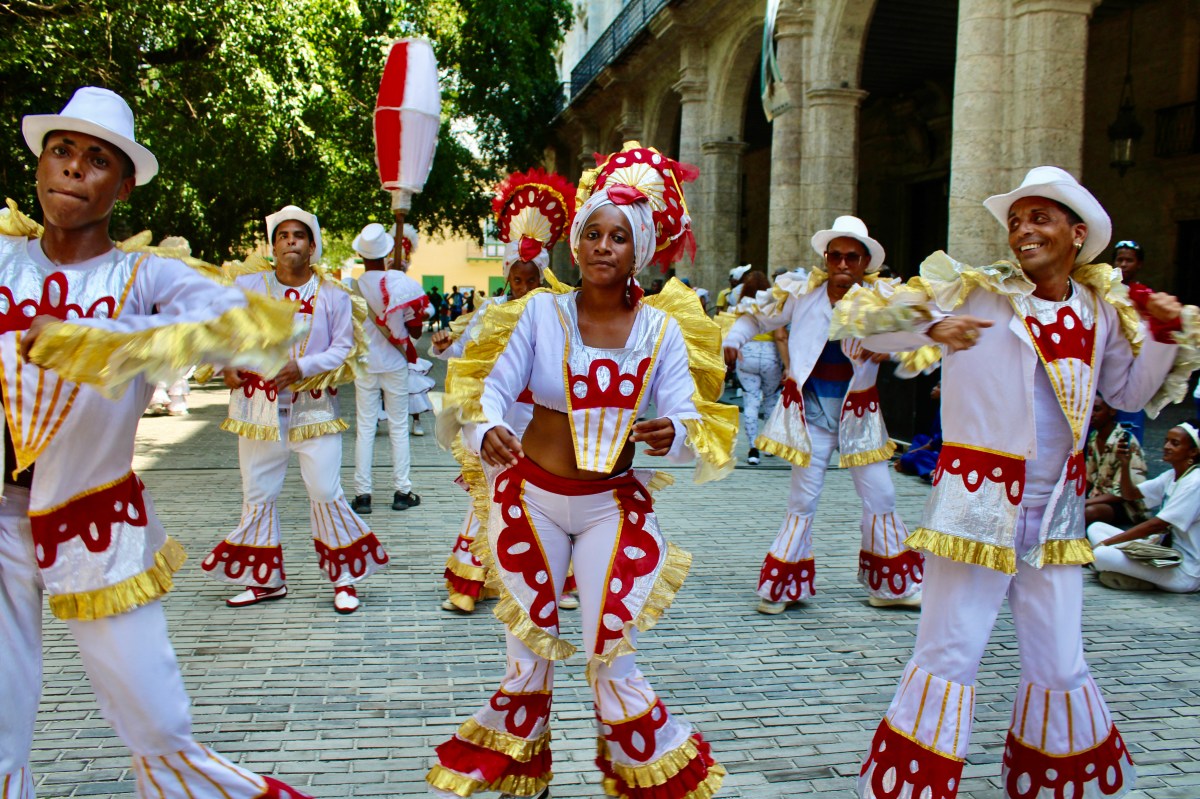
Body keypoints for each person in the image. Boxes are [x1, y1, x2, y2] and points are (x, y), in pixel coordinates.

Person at [838, 166, 1199, 799]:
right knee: (951, 654)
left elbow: (1128, 392)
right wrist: (930, 327)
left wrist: (1167, 335)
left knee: (1060, 661)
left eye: (1040, 218)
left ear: (1077, 233)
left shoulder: (1099, 309)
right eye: (1016, 220)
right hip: (976, 505)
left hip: (1057, 509)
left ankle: (1056, 786)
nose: (1023, 231)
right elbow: (866, 325)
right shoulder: (979, 290)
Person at [2, 86, 312, 798]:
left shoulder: (144, 275)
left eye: (97, 158)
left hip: (95, 525)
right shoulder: (4, 258)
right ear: (41, 163)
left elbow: (244, 321)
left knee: (158, 724)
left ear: (125, 182)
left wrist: (101, 339)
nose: (74, 169)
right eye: (62, 150)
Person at [426, 143, 733, 799]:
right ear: (576, 243)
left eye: (617, 236)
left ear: (638, 249)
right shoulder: (540, 312)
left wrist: (671, 430)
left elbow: (688, 417)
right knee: (527, 656)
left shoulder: (660, 331)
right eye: (591, 233)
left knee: (609, 651)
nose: (601, 246)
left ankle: (643, 781)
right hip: (528, 500)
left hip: (610, 507)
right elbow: (491, 390)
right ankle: (522, 781)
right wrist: (488, 430)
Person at [724, 216, 924, 613]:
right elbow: (756, 317)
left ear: (866, 261)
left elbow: (923, 335)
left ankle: (892, 588)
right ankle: (780, 588)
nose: (843, 264)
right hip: (812, 412)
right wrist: (733, 340)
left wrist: (893, 349)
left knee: (881, 495)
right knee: (803, 499)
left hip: (860, 416)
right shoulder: (803, 294)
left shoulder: (882, 299)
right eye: (836, 256)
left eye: (852, 257)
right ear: (827, 259)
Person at [202, 205, 388, 615]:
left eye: (298, 235)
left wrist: (301, 367)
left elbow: (344, 346)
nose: (290, 241)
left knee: (324, 489)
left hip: (314, 409)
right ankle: (264, 581)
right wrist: (226, 363)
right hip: (257, 410)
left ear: (312, 246)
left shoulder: (335, 294)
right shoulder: (248, 286)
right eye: (282, 235)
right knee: (258, 493)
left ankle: (344, 579)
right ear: (272, 246)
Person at [429, 167, 575, 614]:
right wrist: (445, 346)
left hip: (541, 422)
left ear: (543, 278)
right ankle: (474, 580)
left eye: (533, 280)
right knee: (492, 494)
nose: (525, 287)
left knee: (545, 497)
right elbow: (465, 349)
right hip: (496, 418)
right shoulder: (489, 311)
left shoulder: (558, 311)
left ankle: (557, 581)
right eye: (518, 279)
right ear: (507, 277)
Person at [349, 222, 426, 515]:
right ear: (386, 253)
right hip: (394, 363)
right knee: (398, 427)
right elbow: (416, 331)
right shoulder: (400, 284)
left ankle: (363, 494)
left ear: (361, 254)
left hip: (365, 363)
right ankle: (402, 491)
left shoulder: (352, 287)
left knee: (365, 428)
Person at [1087, 422, 1200, 592]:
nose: (1166, 447)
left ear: (1193, 451)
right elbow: (1130, 494)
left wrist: (1104, 545)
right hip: (1161, 552)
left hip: (1184, 571)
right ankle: (1133, 574)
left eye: (1174, 443)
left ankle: (1131, 573)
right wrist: (1125, 464)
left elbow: (1156, 525)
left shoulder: (1195, 482)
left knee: (1100, 554)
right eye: (1166, 441)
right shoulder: (1171, 475)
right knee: (1096, 528)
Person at [728, 269, 785, 466]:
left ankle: (753, 449)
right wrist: (788, 364)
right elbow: (780, 335)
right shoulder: (773, 305)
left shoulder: (741, 306)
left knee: (750, 401)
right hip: (771, 355)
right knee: (771, 400)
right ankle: (768, 444)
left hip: (747, 354)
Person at [1084, 395, 1148, 526]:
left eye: (1096, 409)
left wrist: (1083, 503)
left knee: (1088, 512)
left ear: (1112, 411)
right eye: (1089, 410)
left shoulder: (1125, 442)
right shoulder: (1093, 437)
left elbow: (1122, 494)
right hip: (1098, 498)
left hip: (1125, 505)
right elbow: (1089, 478)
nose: (1091, 415)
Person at [894, 382, 942, 482]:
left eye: (938, 387)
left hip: (941, 452)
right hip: (934, 448)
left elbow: (935, 442)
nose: (933, 388)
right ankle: (913, 462)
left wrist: (914, 452)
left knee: (918, 456)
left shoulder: (948, 410)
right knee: (919, 438)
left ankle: (932, 472)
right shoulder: (940, 407)